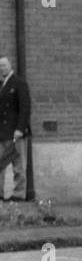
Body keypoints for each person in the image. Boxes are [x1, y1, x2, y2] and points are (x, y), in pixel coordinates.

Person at [0, 55, 31, 202]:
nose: (1, 68)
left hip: (15, 132)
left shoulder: (19, 83)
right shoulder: (1, 85)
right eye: (0, 66)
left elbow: (25, 108)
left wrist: (20, 128)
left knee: (18, 164)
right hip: (2, 133)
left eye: (4, 65)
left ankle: (19, 194)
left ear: (10, 66)